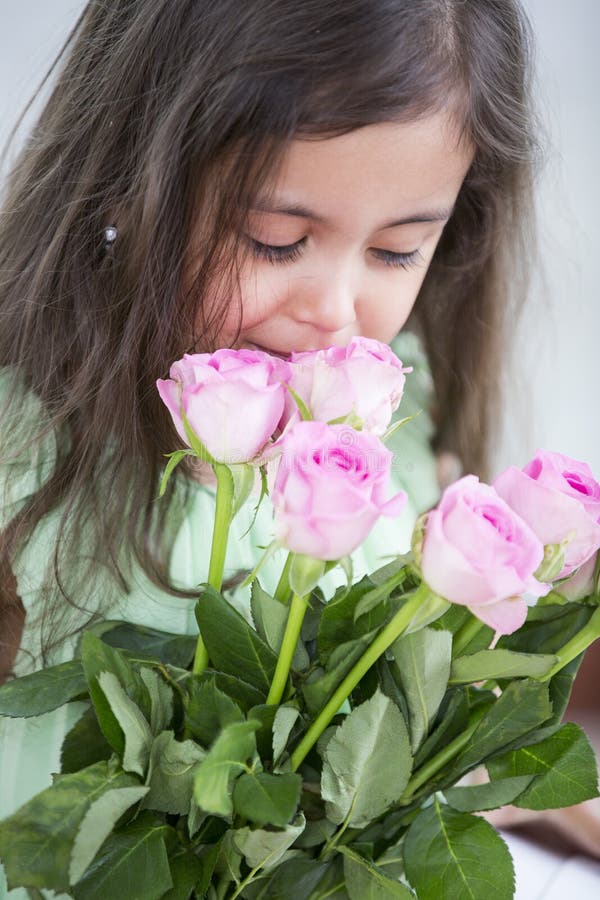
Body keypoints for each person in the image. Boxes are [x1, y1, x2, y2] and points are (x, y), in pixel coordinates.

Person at [0, 1, 597, 897]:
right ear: (129, 181)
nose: (338, 310)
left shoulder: (390, 415)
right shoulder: (32, 445)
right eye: (275, 241)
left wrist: (503, 784)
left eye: (397, 252)